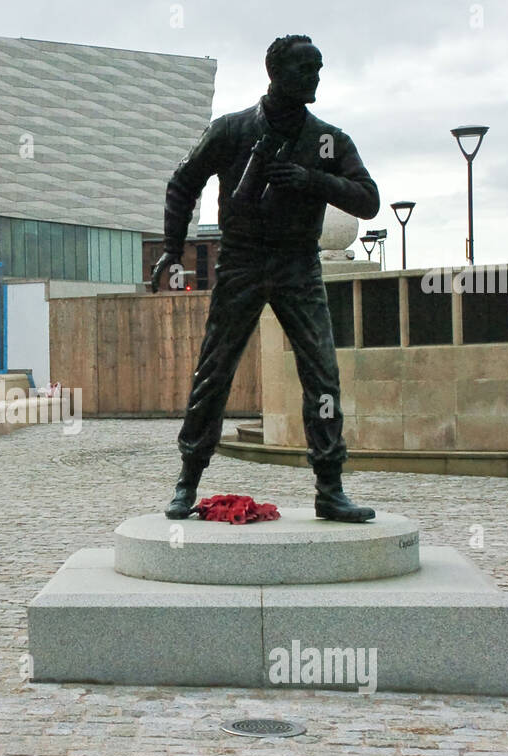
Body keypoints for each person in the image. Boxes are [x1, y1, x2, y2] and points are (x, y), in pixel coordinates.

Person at [152, 34, 379, 523]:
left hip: (299, 265)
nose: (315, 77)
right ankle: (187, 479)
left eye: (319, 68)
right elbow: (182, 183)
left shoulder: (327, 139)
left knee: (322, 376)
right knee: (214, 373)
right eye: (305, 69)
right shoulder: (232, 130)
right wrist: (173, 250)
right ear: (275, 73)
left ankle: (330, 487)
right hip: (242, 262)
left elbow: (368, 199)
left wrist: (312, 180)